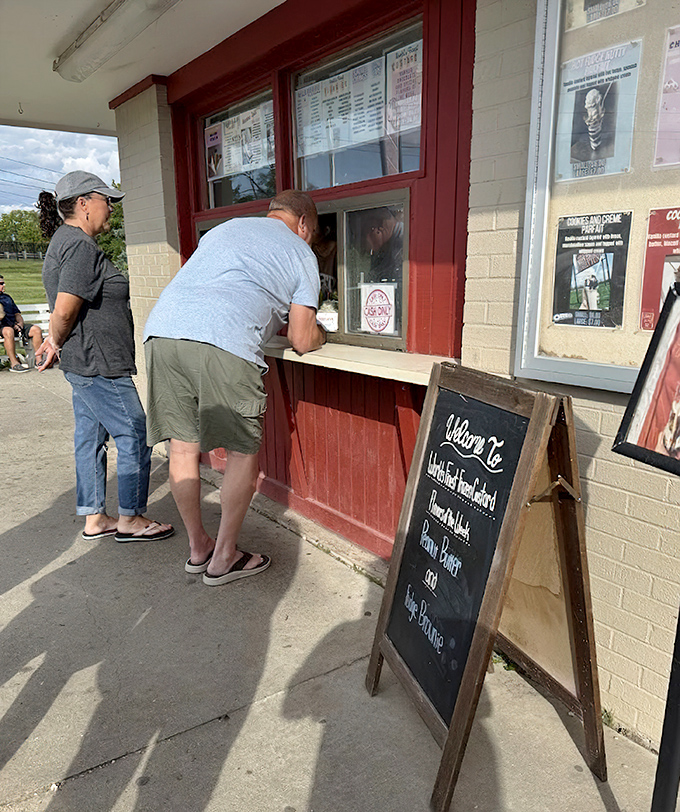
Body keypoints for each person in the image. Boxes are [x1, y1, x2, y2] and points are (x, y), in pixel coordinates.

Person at [143, 189, 326, 586]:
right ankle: (225, 556)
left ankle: (198, 548)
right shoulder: (300, 251)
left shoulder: (226, 230)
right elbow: (300, 337)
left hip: (161, 333)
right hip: (224, 341)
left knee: (182, 447)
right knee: (243, 452)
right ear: (304, 225)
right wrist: (321, 334)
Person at [35, 171, 174, 543]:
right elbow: (65, 309)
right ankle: (131, 517)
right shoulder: (80, 246)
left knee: (89, 438)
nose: (110, 207)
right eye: (105, 200)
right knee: (134, 432)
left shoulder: (64, 241)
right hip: (99, 364)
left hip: (84, 362)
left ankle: (95, 517)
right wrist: (53, 340)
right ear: (83, 204)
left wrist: (57, 343)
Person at [0, 275, 44, 372]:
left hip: (14, 326)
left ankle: (39, 361)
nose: (3, 285)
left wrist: (20, 324)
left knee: (36, 330)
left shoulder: (7, 297)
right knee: (8, 331)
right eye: (1, 283)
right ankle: (14, 363)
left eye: (3, 283)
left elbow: (17, 314)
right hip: (2, 328)